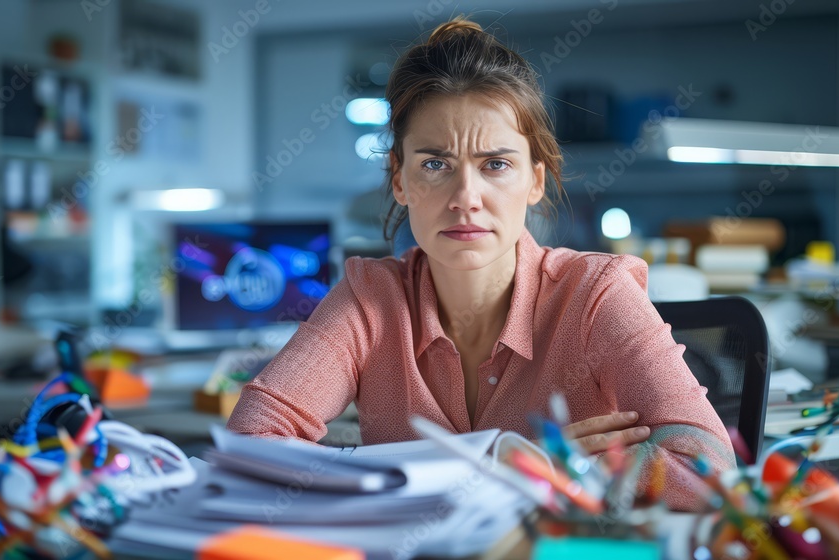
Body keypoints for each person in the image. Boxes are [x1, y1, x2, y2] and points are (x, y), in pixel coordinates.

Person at [227, 17, 734, 511]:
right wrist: (499, 462)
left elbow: (710, 469)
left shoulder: (595, 293)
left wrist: (552, 468)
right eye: (435, 165)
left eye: (495, 164)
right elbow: (250, 443)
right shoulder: (369, 299)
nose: (466, 197)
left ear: (535, 180)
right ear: (400, 180)